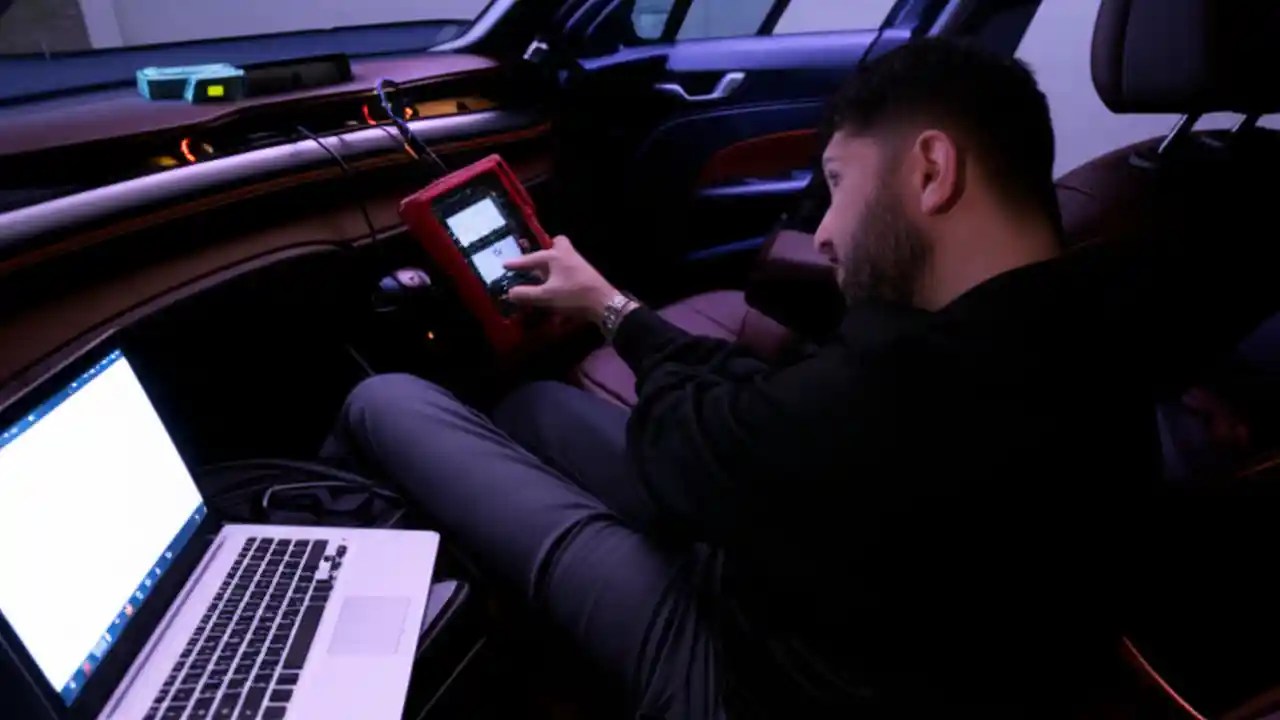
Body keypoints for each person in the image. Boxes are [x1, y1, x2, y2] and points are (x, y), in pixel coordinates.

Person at [323, 39, 1158, 718]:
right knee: (535, 407)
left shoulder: (913, 389)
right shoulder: (1093, 308)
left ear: (932, 170)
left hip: (745, 678)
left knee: (384, 400)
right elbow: (771, 417)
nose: (824, 234)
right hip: (851, 596)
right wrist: (612, 308)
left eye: (838, 184)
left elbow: (693, 455)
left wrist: (616, 315)